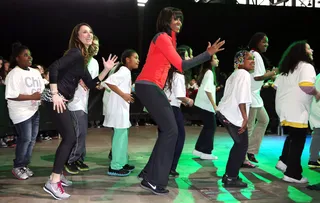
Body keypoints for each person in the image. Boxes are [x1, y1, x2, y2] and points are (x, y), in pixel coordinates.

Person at [135, 7, 225, 195]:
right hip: (148, 85)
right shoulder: (162, 37)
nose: (178, 22)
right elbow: (181, 64)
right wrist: (207, 54)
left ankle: (149, 175)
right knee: (171, 131)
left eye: (180, 20)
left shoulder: (169, 40)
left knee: (168, 132)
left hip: (152, 87)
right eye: (175, 19)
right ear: (166, 20)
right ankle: (154, 179)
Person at [41, 22, 117, 200]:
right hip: (55, 98)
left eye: (91, 32)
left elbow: (90, 84)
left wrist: (105, 69)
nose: (89, 35)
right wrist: (55, 94)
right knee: (70, 137)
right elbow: (53, 68)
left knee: (69, 137)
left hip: (61, 99)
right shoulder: (75, 52)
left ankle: (57, 174)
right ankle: (53, 181)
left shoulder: (81, 59)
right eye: (85, 32)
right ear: (77, 37)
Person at [273, 41, 318, 183]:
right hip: (296, 109)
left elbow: (275, 86)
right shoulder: (306, 67)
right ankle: (293, 174)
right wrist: (316, 93)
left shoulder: (287, 68)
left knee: (293, 136)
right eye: (309, 48)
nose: (312, 50)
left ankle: (284, 161)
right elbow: (306, 85)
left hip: (283, 107)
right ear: (302, 52)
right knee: (298, 140)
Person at [5, 42, 45, 180]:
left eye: (30, 55)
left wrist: (41, 97)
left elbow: (41, 88)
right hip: (21, 112)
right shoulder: (14, 74)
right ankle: (18, 166)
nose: (29, 58)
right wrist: (32, 96)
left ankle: (24, 165)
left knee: (32, 140)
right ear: (17, 58)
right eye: (25, 55)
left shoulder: (35, 72)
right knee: (25, 138)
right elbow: (11, 95)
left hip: (34, 110)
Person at [216, 50, 254, 188]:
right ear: (240, 61)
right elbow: (242, 97)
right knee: (242, 146)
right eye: (249, 59)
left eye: (253, 58)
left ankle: (229, 175)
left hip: (224, 112)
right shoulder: (244, 74)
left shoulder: (235, 74)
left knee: (239, 145)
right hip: (233, 115)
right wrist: (245, 118)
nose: (253, 61)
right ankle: (231, 177)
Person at [65, 35, 100, 174]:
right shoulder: (77, 59)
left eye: (97, 45)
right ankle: (70, 160)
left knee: (82, 132)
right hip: (74, 102)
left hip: (84, 102)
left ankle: (78, 158)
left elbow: (92, 83)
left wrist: (100, 85)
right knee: (80, 133)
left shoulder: (95, 63)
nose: (95, 47)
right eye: (92, 44)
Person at [243, 32, 277, 168]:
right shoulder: (255, 55)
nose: (266, 44)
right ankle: (243, 157)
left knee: (264, 120)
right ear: (257, 42)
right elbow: (258, 77)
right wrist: (274, 72)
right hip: (251, 96)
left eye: (267, 41)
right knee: (249, 127)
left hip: (256, 96)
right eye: (264, 41)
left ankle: (251, 150)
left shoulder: (254, 54)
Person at [104, 49, 139, 176]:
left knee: (123, 136)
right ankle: (115, 166)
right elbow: (109, 82)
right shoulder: (124, 70)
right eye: (135, 57)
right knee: (120, 137)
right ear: (127, 60)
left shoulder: (126, 72)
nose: (138, 60)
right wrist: (123, 95)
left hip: (122, 109)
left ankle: (122, 162)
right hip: (118, 110)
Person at [164, 47, 194, 177]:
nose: (190, 58)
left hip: (166, 108)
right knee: (179, 138)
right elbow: (179, 95)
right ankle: (171, 167)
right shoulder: (179, 75)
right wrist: (189, 101)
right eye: (188, 56)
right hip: (173, 109)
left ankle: (164, 166)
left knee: (166, 139)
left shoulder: (170, 73)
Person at [193, 54, 219, 160]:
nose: (218, 60)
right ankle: (206, 152)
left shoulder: (207, 72)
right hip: (206, 105)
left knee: (208, 127)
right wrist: (214, 105)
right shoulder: (209, 73)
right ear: (210, 61)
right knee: (211, 127)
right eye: (215, 58)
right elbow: (207, 90)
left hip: (202, 104)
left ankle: (199, 149)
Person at [308, 73, 320, 169]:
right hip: (317, 107)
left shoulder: (318, 77)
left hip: (315, 107)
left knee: (317, 134)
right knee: (317, 134)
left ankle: (314, 158)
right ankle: (313, 159)